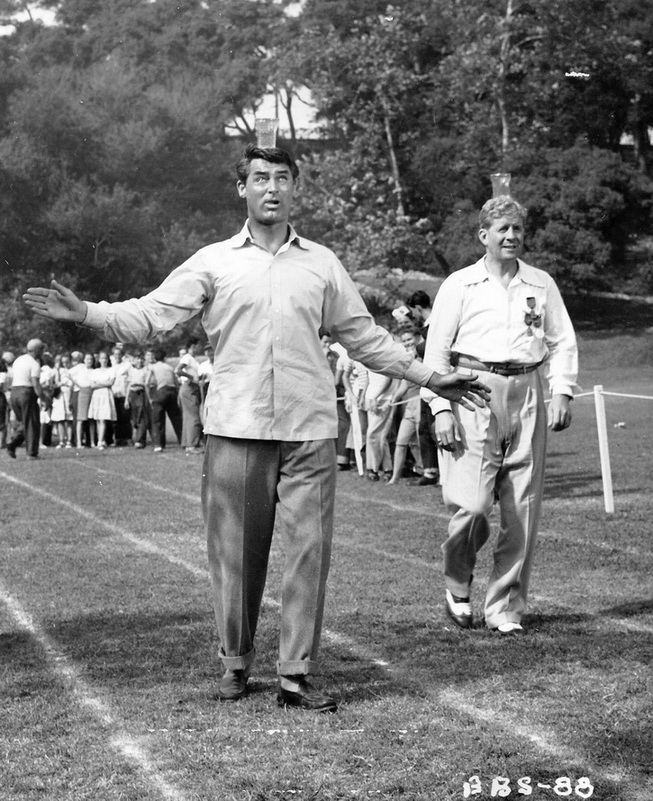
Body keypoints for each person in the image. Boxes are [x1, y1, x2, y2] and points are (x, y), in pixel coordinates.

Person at [23, 143, 489, 712]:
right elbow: (152, 316)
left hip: (309, 428)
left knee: (308, 552)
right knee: (235, 555)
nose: (272, 187)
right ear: (241, 189)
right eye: (260, 178)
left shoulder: (321, 263)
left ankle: (295, 675)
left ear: (295, 188)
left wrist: (428, 377)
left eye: (282, 178)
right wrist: (91, 312)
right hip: (236, 429)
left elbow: (364, 338)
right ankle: (235, 664)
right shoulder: (213, 261)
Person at [422, 195, 577, 636]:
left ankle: (505, 608)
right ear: (483, 235)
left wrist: (562, 390)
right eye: (502, 230)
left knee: (521, 508)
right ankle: (457, 581)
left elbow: (562, 340)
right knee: (471, 506)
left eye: (518, 230)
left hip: (527, 390)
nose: (511, 237)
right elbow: (434, 352)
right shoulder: (460, 284)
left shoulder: (540, 283)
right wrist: (439, 408)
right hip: (472, 391)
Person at [406, 290, 440, 487]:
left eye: (413, 311)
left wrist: (416, 351)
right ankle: (430, 470)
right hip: (427, 380)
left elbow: (434, 347)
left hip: (438, 379)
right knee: (424, 428)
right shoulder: (426, 326)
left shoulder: (436, 322)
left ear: (418, 308)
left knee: (435, 427)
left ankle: (441, 472)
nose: (413, 316)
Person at [6, 338, 46, 459]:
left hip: (14, 392)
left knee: (23, 422)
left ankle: (12, 444)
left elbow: (10, 378)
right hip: (26, 393)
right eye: (41, 349)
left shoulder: (18, 360)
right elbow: (36, 384)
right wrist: (45, 399)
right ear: (37, 350)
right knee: (32, 423)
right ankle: (31, 453)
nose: (43, 352)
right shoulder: (34, 364)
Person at [147, 348, 183, 452]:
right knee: (176, 419)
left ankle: (158, 444)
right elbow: (176, 383)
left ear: (155, 357)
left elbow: (147, 383)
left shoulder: (152, 367)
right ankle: (182, 441)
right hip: (172, 392)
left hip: (161, 391)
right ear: (164, 357)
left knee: (157, 420)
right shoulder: (169, 367)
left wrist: (150, 397)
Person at [175, 337, 204, 454]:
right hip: (189, 388)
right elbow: (178, 370)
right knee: (194, 417)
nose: (200, 348)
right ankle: (192, 445)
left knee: (188, 416)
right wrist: (192, 378)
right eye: (198, 345)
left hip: (190, 388)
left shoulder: (192, 359)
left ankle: (187, 443)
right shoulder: (187, 358)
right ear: (193, 346)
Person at [88, 350, 117, 450]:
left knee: (103, 418)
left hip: (106, 394)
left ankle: (100, 441)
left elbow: (111, 383)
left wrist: (99, 384)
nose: (104, 360)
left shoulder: (111, 370)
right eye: (102, 358)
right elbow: (92, 385)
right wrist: (104, 383)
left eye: (105, 358)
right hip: (97, 395)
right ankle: (102, 439)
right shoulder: (95, 371)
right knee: (98, 418)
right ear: (99, 360)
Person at [124, 351, 149, 448]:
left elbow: (146, 384)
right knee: (134, 419)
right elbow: (128, 385)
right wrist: (126, 399)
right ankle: (140, 439)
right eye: (137, 359)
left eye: (141, 359)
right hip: (132, 393)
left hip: (141, 392)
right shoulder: (131, 370)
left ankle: (139, 440)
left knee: (141, 416)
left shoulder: (145, 370)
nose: (139, 361)